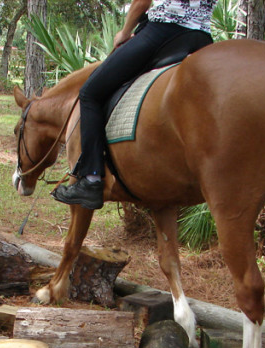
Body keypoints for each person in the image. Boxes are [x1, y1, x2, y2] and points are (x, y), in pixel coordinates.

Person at [52, 0, 216, 210]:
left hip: (163, 31)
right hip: (202, 37)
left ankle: (91, 180)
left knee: (90, 93)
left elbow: (142, 2)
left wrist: (124, 32)